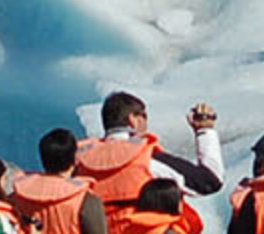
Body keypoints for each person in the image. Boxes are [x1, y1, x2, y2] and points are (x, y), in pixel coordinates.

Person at [75, 93, 230, 219]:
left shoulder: (80, 163)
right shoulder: (147, 158)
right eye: (144, 116)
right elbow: (210, 181)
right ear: (133, 120)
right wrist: (204, 131)